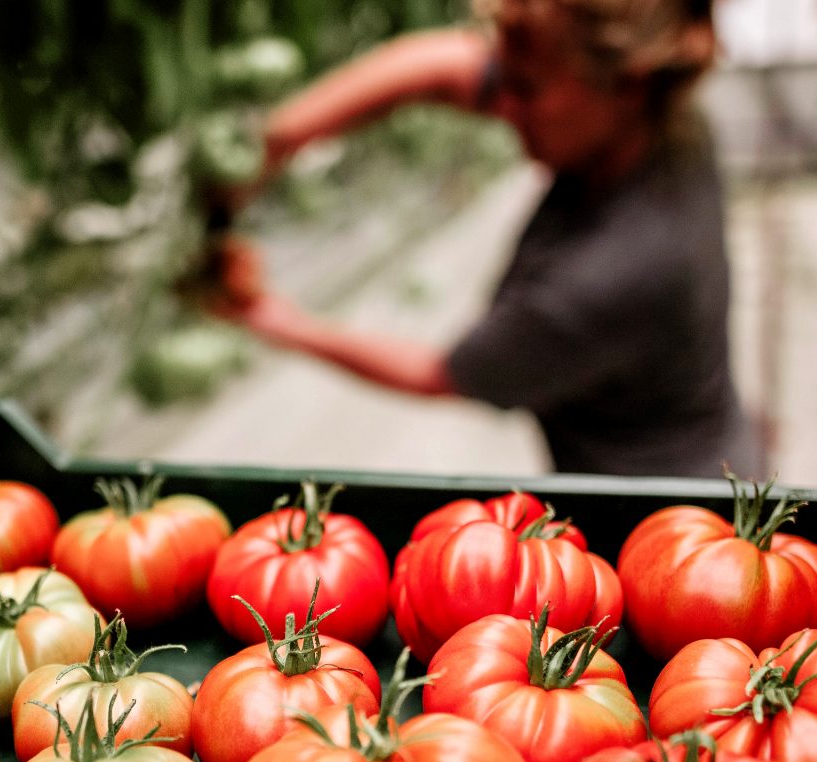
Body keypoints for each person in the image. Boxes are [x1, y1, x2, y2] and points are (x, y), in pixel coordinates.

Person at [202, 0, 764, 478]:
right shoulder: (662, 119)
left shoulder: (612, 275)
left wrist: (266, 316)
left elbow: (442, 374)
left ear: (628, 86)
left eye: (523, 88)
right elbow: (440, 67)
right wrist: (275, 142)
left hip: (669, 518)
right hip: (714, 440)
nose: (498, 104)